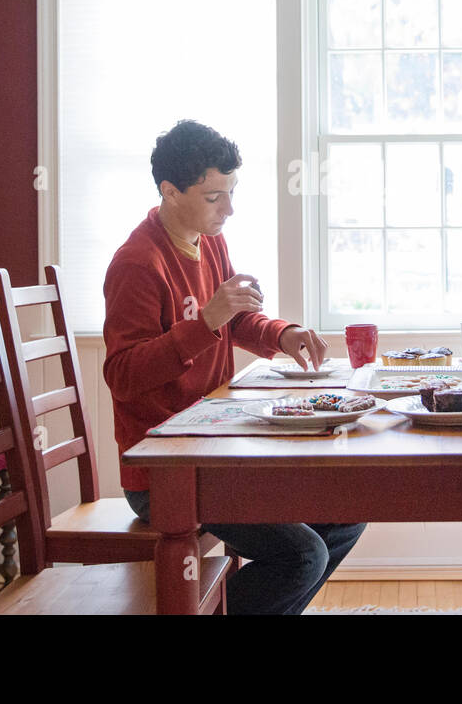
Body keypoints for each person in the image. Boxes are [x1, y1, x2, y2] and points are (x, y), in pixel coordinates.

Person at [102, 120, 366, 614]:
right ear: (169, 191)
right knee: (302, 556)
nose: (229, 208)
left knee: (349, 512)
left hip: (217, 450)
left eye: (231, 193)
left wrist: (281, 333)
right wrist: (207, 321)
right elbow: (123, 374)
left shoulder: (210, 240)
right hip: (165, 477)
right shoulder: (137, 263)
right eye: (213, 196)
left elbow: (234, 318)